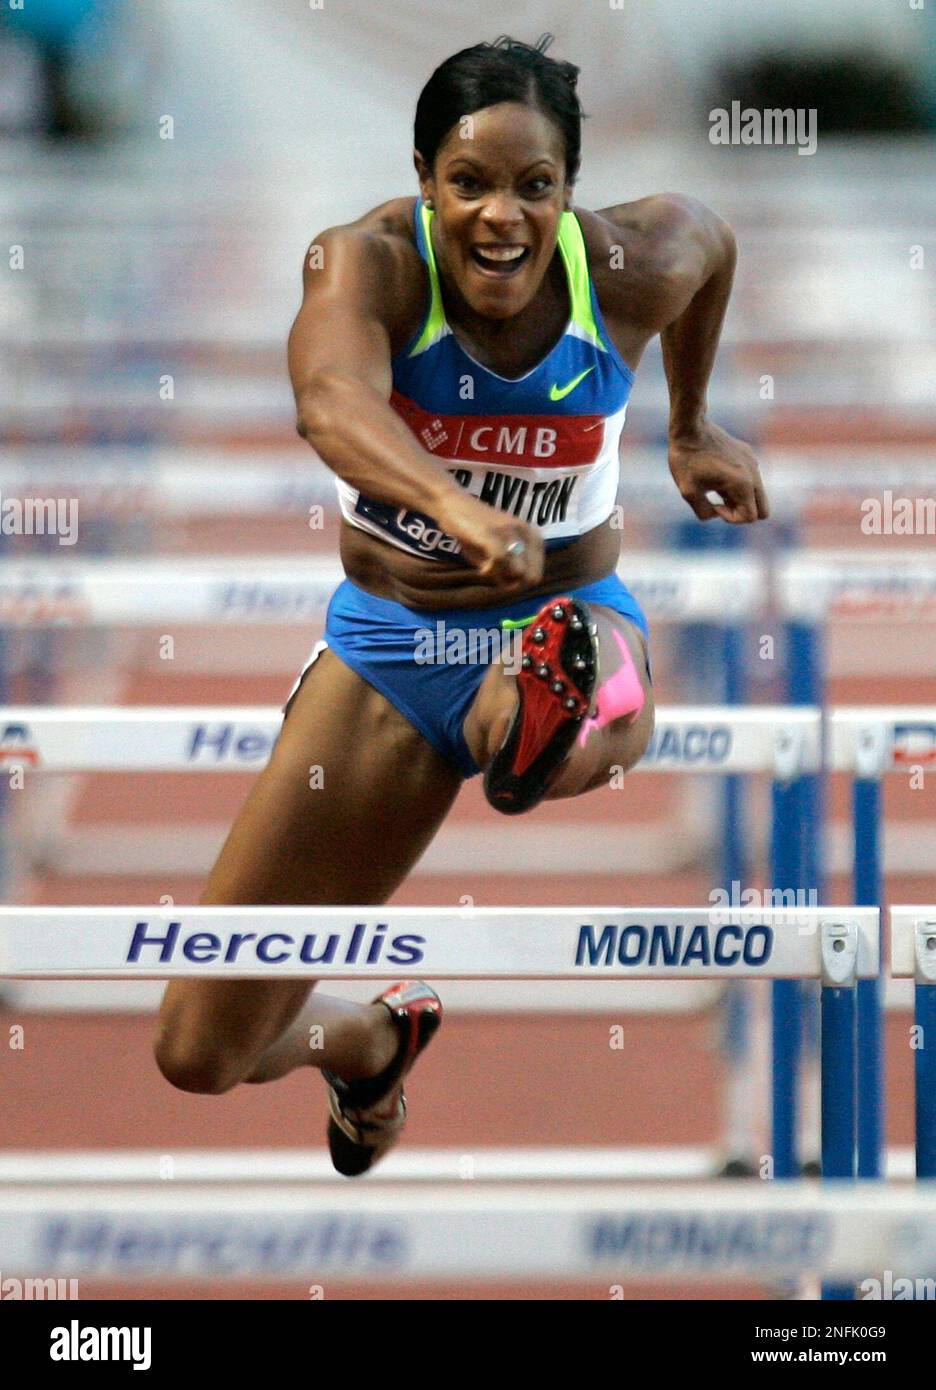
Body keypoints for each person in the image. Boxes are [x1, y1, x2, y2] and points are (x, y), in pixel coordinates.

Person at [154, 35, 768, 1176]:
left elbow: (716, 247)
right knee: (199, 1049)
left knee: (547, 693)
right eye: (470, 184)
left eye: (536, 187)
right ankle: (373, 1040)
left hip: (576, 604)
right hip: (390, 647)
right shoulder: (367, 262)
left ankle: (562, 707)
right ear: (424, 177)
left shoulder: (631, 263)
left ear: (570, 196)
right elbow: (331, 400)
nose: (503, 219)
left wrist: (692, 424)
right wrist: (456, 507)